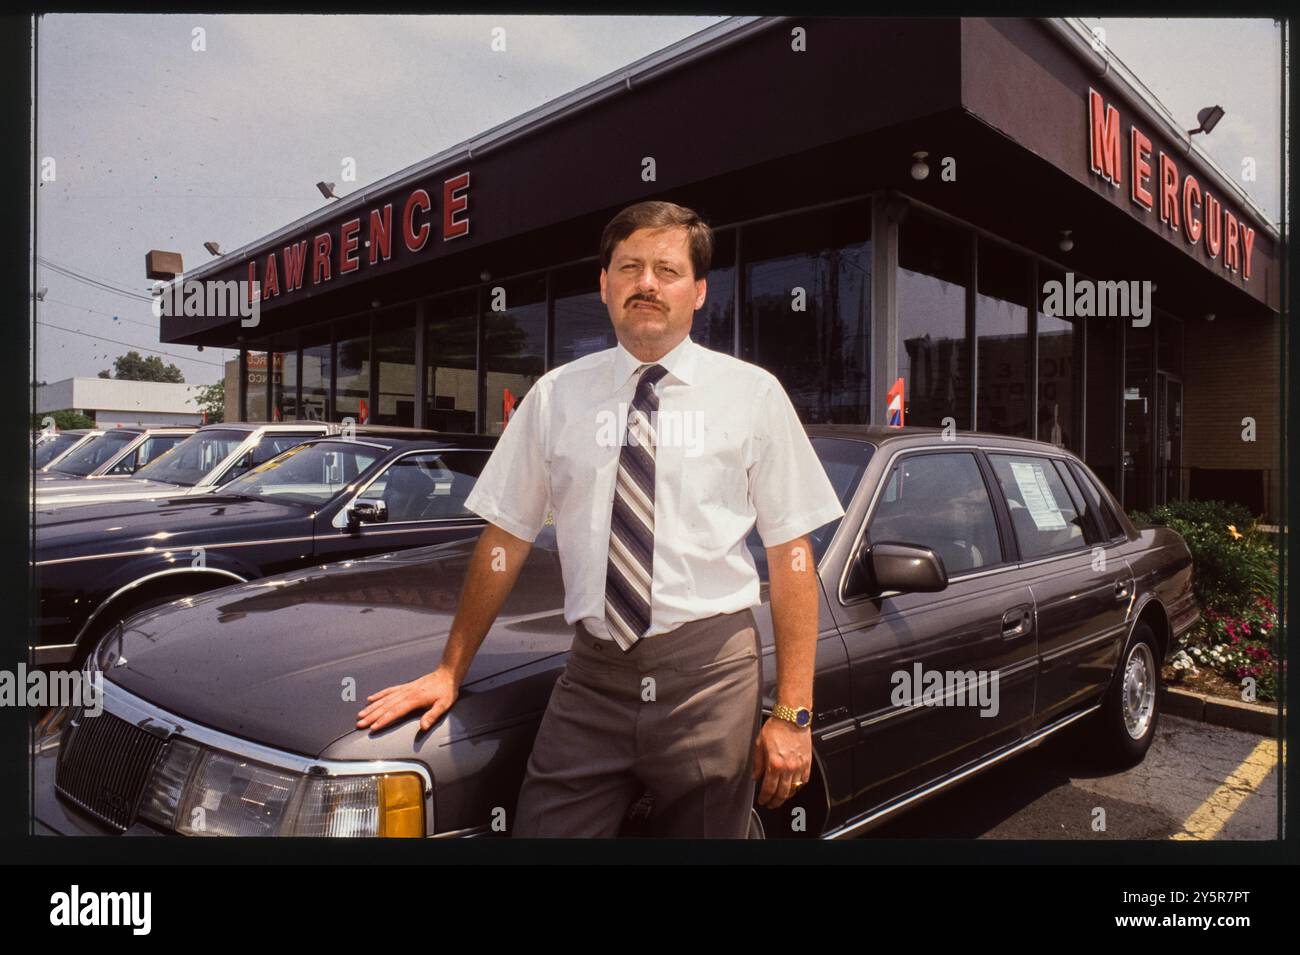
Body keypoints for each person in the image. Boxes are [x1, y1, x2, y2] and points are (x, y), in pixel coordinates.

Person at [355, 199, 845, 838]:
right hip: (592, 673)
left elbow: (791, 556)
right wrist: (451, 669)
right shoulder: (557, 395)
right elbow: (505, 537)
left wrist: (794, 714)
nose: (647, 283)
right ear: (605, 285)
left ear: (698, 292)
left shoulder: (753, 395)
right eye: (630, 266)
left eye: (667, 270)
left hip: (710, 676)